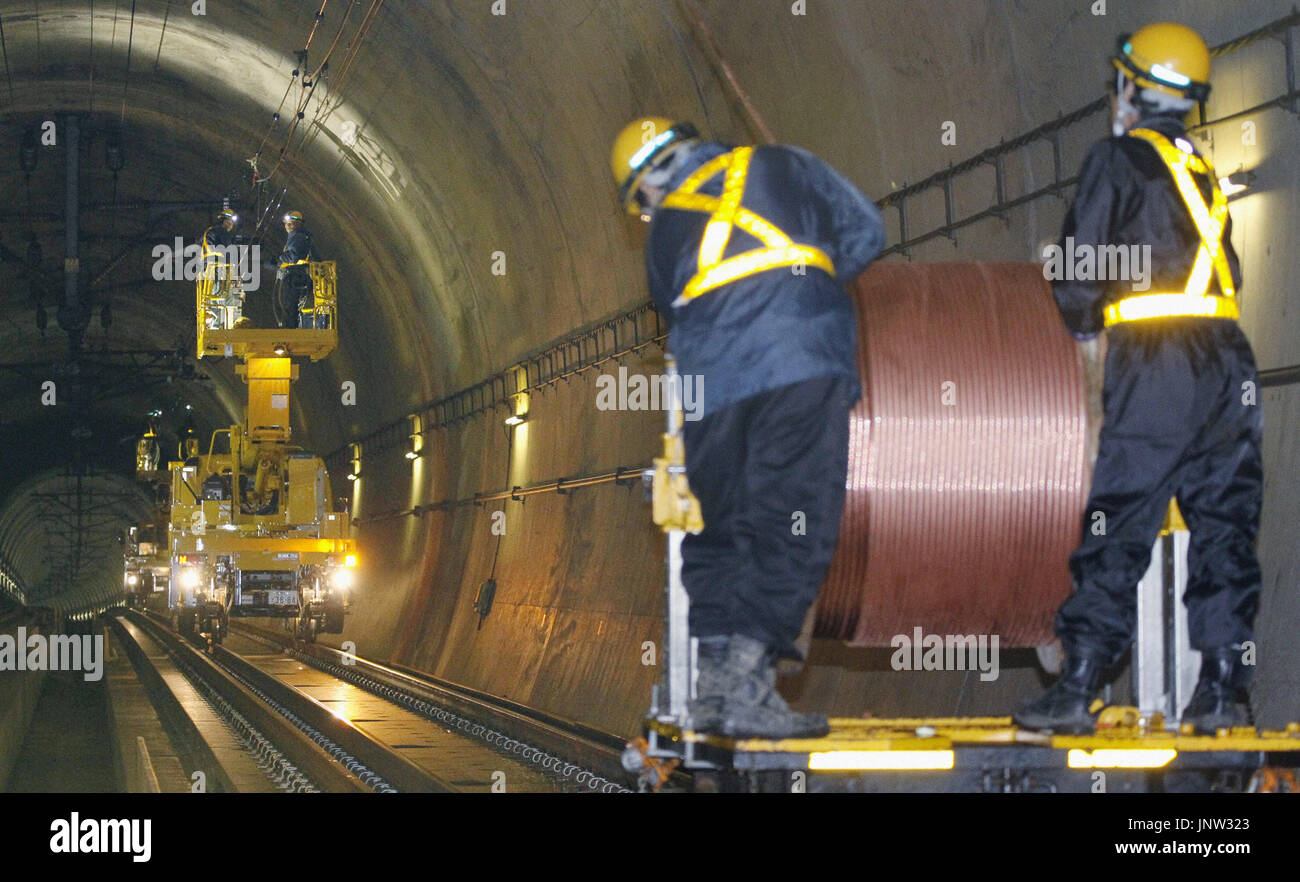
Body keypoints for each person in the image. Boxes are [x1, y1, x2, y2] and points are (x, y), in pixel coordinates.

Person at [1013, 22, 1263, 735]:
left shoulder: (1117, 158)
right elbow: (1229, 273)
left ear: (1130, 86)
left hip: (1159, 357)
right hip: (1230, 360)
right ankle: (1221, 694)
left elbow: (1078, 266)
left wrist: (1086, 331)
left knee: (1118, 517)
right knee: (1225, 527)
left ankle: (1080, 684)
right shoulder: (1202, 172)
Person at [611, 117, 884, 738]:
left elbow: (669, 305)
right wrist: (809, 285)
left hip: (712, 389)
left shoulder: (663, 235)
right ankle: (746, 684)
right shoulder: (784, 163)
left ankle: (714, 684)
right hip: (798, 362)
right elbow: (866, 232)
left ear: (645, 188)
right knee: (791, 516)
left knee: (721, 526)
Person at [276, 210, 316, 328]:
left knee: (289, 305)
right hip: (300, 275)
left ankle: (290, 330)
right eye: (287, 223)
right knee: (292, 306)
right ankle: (292, 327)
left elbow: (294, 257)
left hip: (295, 276)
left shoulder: (297, 236)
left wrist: (281, 257)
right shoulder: (303, 236)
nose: (288, 226)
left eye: (291, 223)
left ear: (298, 224)